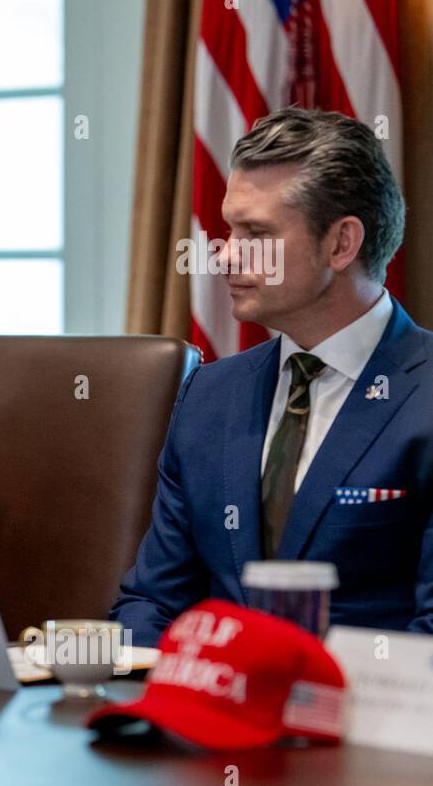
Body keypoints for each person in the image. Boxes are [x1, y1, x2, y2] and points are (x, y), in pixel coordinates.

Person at [113, 107, 430, 644]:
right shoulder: (209, 394)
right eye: (228, 230)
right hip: (202, 717)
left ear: (341, 244)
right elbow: (154, 602)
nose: (225, 256)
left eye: (255, 233)